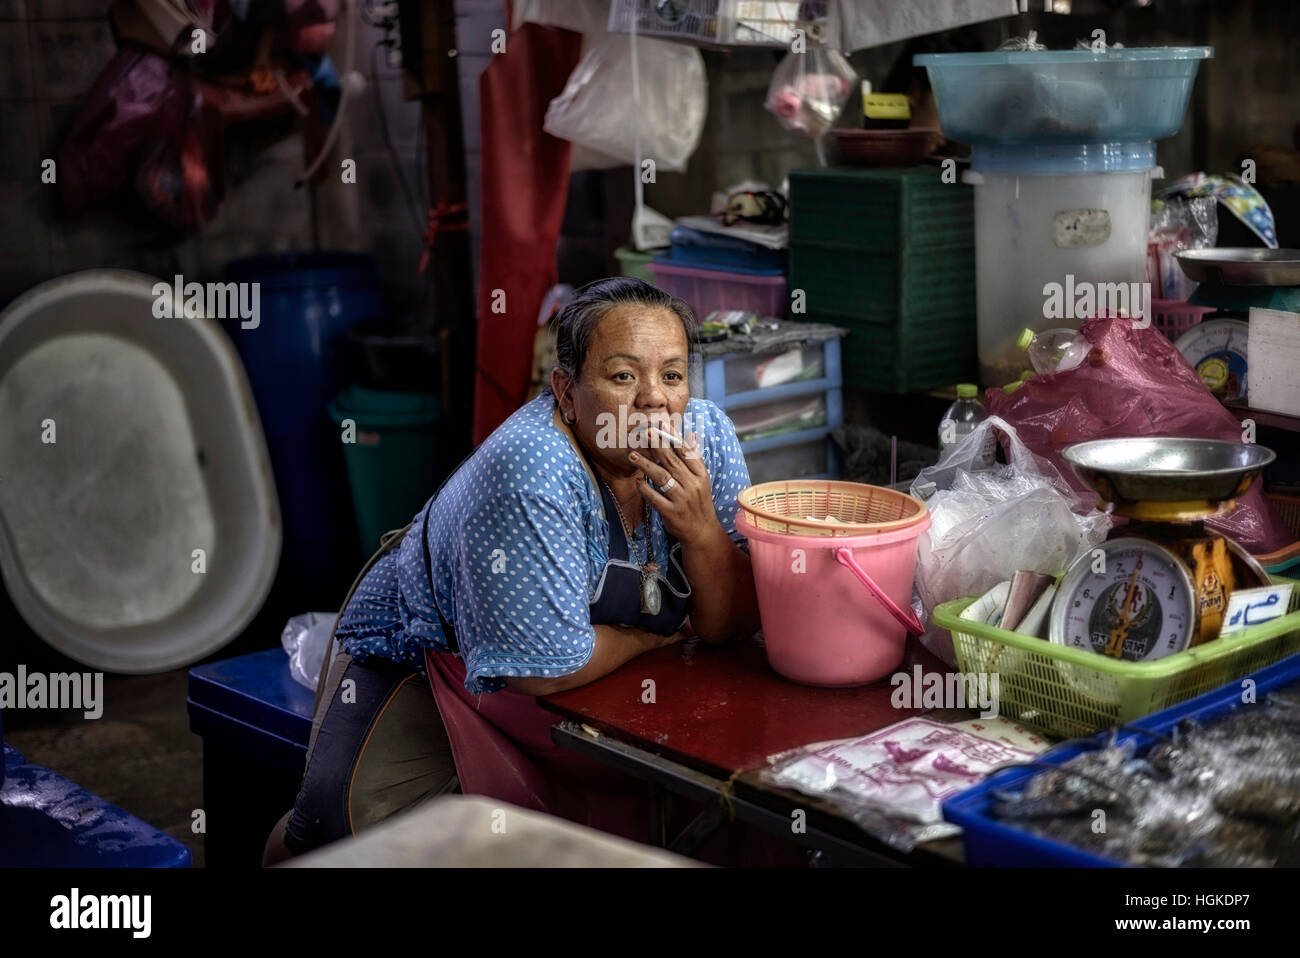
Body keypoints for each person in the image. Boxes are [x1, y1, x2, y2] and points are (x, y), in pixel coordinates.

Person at [266, 277, 761, 862]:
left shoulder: (707, 438)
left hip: (594, 674)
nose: (654, 398)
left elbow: (732, 623)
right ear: (567, 392)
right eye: (624, 376)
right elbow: (547, 670)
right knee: (341, 831)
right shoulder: (532, 468)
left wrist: (702, 530)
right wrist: (649, 638)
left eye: (673, 376)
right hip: (422, 653)